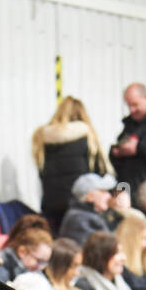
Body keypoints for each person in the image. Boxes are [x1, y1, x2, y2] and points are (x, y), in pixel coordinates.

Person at [31, 97, 108, 233]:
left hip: (51, 205)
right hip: (80, 205)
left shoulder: (43, 140)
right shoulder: (88, 137)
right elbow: (100, 173)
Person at [58, 173, 119, 246]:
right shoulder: (79, 219)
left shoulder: (87, 215)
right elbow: (97, 251)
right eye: (103, 191)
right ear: (90, 196)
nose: (108, 195)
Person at [0, 216, 53, 283]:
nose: (41, 267)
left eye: (44, 263)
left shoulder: (33, 269)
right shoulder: (3, 261)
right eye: (39, 261)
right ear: (22, 251)